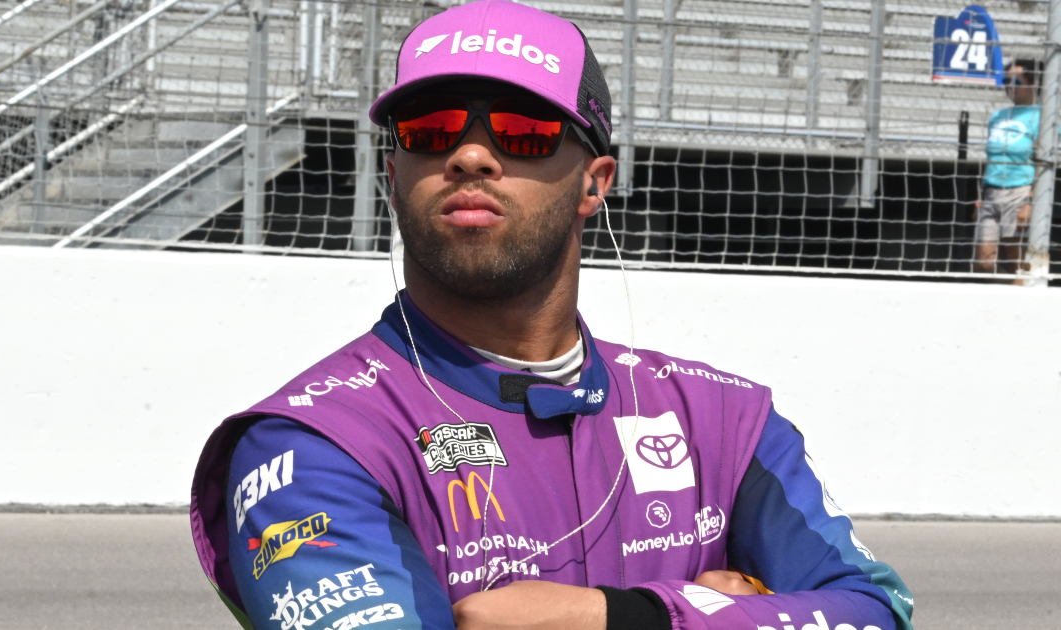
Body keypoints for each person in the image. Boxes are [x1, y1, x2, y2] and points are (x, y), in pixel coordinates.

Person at [190, 3, 914, 630]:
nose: (471, 154)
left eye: (523, 130)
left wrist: (629, 615)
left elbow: (874, 612)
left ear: (593, 184)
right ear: (394, 173)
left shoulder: (723, 421)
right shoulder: (314, 446)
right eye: (431, 129)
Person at [975, 59, 1044, 278]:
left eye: (1016, 81)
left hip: (1020, 190)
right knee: (983, 263)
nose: (1009, 85)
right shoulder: (998, 117)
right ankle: (1008, 298)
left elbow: (1047, 160)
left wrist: (1032, 199)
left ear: (1034, 83)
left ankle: (1023, 305)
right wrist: (981, 195)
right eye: (1006, 80)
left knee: (1017, 262)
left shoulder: (1044, 116)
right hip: (992, 191)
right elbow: (991, 157)